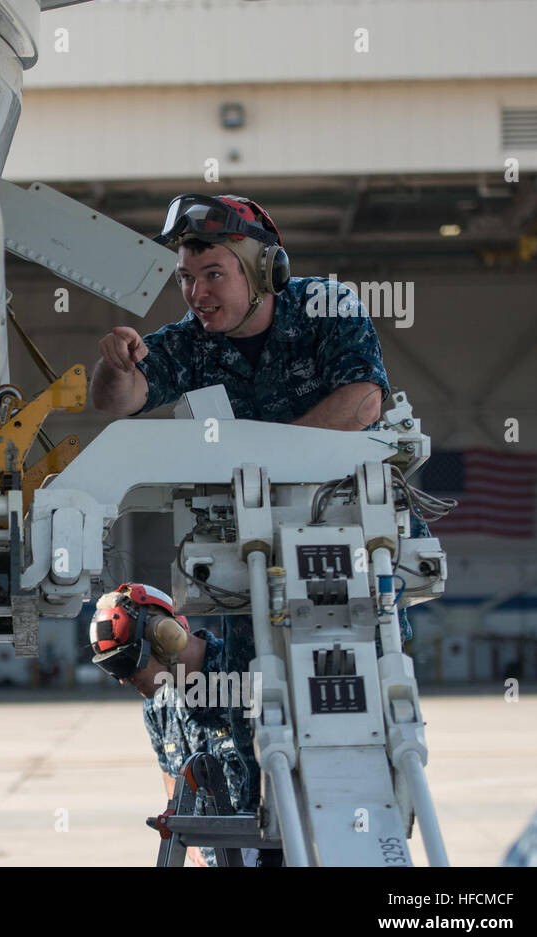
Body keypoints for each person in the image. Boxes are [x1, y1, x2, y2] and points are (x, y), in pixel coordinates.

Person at [90, 194, 414, 851]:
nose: (196, 293)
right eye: (186, 278)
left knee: (371, 748)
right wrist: (115, 365)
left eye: (213, 274)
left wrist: (265, 463)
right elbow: (115, 403)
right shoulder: (189, 344)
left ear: (263, 270)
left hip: (347, 572)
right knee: (253, 755)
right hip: (249, 587)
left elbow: (362, 400)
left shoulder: (325, 307)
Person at [90, 582, 247, 867]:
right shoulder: (157, 708)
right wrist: (192, 840)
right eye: (113, 671)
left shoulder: (242, 675)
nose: (124, 679)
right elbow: (171, 772)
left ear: (164, 637)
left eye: (126, 664)